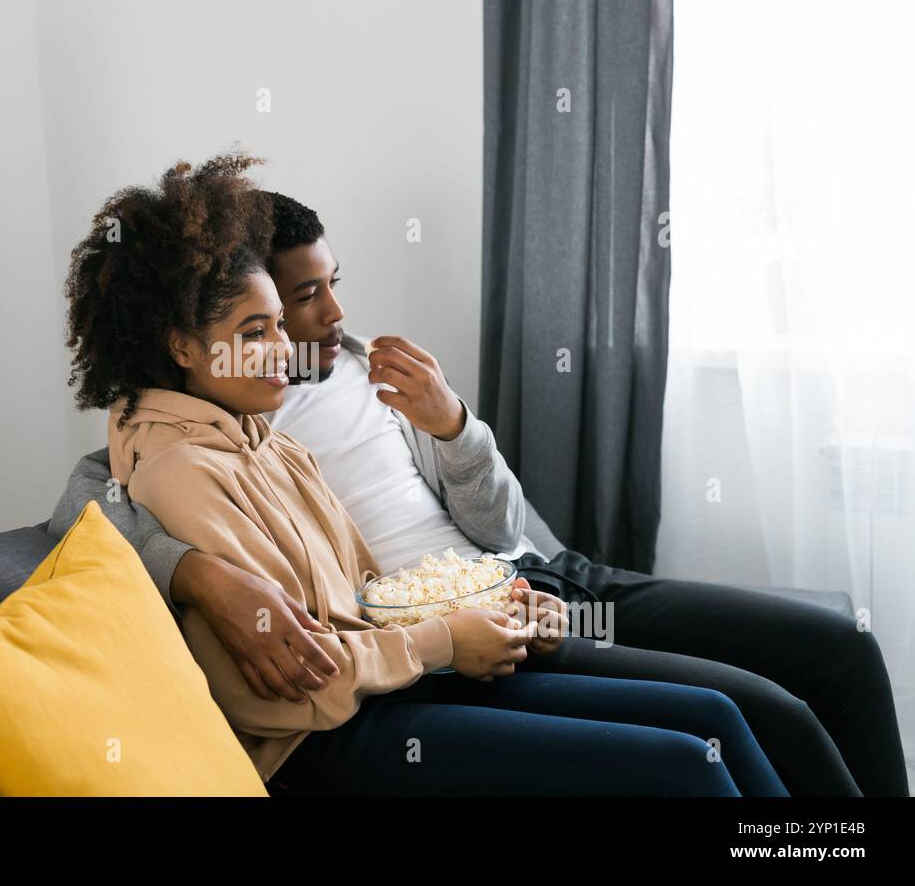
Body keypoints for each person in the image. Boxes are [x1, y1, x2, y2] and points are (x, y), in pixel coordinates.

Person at [53, 187, 908, 797]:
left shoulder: (297, 413)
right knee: (724, 738)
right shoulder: (177, 453)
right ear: (183, 345)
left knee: (794, 674)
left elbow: (396, 580)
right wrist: (193, 571)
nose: (316, 326)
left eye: (304, 304)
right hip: (376, 701)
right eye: (272, 318)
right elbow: (92, 521)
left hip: (522, 584)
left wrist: (456, 429)